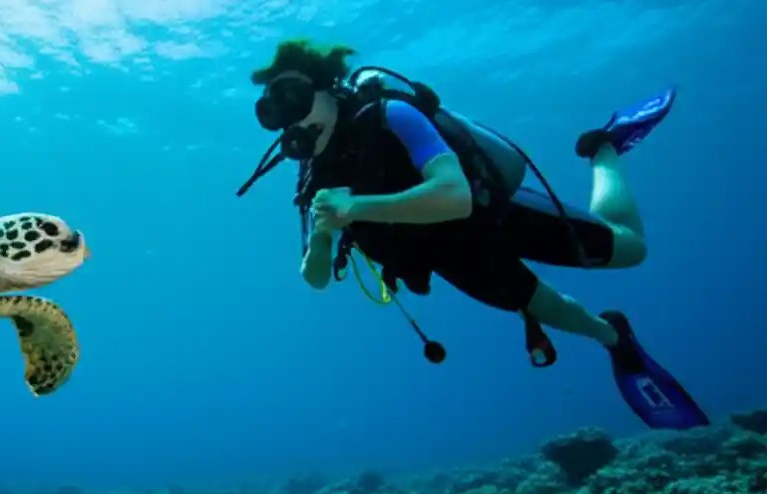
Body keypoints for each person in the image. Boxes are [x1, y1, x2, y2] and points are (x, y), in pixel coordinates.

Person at [235, 38, 708, 430]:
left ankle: (604, 151)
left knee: (630, 248)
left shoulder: (391, 117)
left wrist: (355, 206)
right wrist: (322, 235)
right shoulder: (314, 175)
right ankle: (614, 338)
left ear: (326, 89)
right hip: (452, 257)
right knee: (542, 304)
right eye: (272, 111)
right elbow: (316, 279)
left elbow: (455, 196)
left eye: (293, 99)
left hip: (492, 213)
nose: (289, 119)